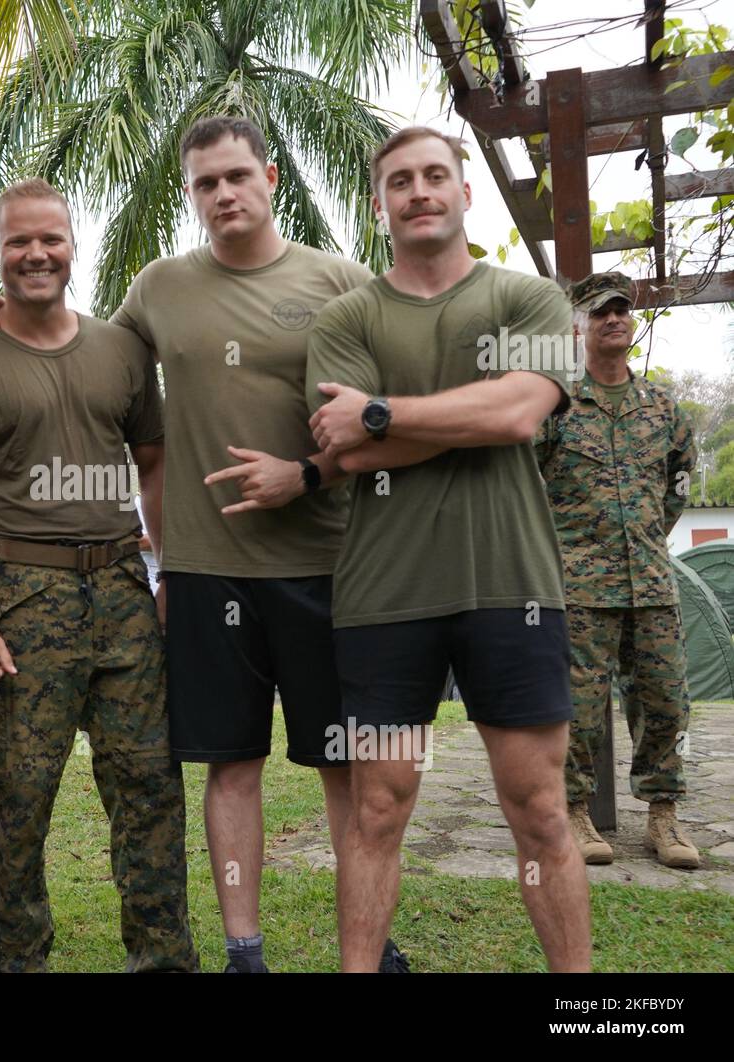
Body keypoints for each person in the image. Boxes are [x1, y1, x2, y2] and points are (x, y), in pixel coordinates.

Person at [0, 116, 392, 973]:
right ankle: (243, 951)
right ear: (193, 194)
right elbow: (82, 350)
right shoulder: (159, 287)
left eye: (237, 176)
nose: (224, 194)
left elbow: (385, 425)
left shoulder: (342, 282)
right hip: (203, 572)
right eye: (206, 183)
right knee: (229, 765)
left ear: (270, 177)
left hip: (326, 563)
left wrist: (304, 473)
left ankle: (368, 949)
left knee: (343, 772)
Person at [306, 125, 592, 972]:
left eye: (437, 175)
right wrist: (470, 414)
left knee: (538, 807)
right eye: (401, 180)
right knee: (379, 809)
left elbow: (519, 416)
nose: (420, 190)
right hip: (385, 601)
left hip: (512, 591)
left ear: (466, 193)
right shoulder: (347, 316)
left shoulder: (528, 298)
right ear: (379, 204)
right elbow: (343, 451)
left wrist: (385, 411)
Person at [0, 177, 197, 973]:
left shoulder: (122, 349)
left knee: (149, 786)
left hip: (122, 592)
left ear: (74, 245)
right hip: (25, 599)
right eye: (18, 241)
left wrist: (167, 570)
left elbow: (156, 465)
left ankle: (164, 959)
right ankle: (14, 958)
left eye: (51, 239)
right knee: (20, 794)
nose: (35, 254)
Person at [536, 272, 699, 868]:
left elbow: (677, 484)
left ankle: (663, 817)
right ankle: (573, 812)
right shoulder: (555, 405)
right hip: (578, 584)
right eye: (601, 311)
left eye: (622, 310)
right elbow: (526, 487)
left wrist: (648, 534)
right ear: (578, 325)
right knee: (577, 709)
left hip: (652, 583)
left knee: (666, 701)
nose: (614, 319)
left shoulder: (662, 408)